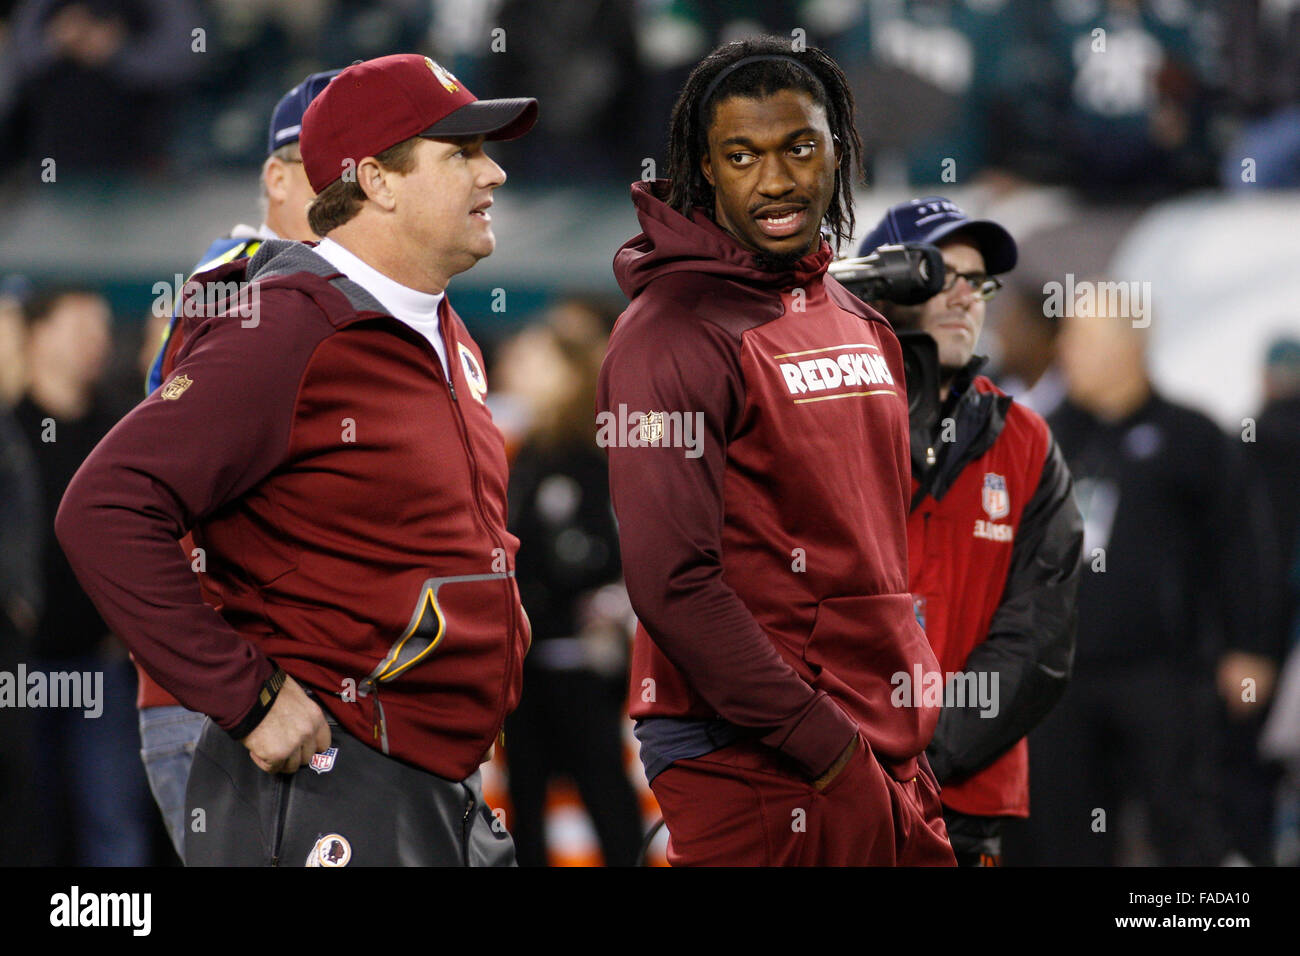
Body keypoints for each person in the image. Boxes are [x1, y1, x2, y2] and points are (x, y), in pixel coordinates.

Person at [57, 52, 538, 866]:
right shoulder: (286, 324)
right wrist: (245, 697)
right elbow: (105, 504)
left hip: (433, 778)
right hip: (328, 780)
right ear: (378, 181)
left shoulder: (443, 329)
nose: (492, 172)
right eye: (459, 153)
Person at [597, 35, 955, 866]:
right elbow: (672, 583)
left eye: (800, 147)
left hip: (879, 736)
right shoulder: (668, 333)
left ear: (840, 149)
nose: (777, 180)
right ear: (705, 170)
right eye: (742, 155)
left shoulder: (857, 318)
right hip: (762, 748)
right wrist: (826, 746)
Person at [134, 67, 339, 863]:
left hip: (267, 683)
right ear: (277, 177)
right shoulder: (244, 275)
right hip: (231, 686)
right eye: (328, 170)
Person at [854, 197, 1083, 866]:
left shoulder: (1026, 439)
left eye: (977, 281)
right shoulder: (821, 418)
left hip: (963, 800)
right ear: (881, 287)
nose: (964, 297)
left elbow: (1039, 639)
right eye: (938, 275)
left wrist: (922, 756)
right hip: (829, 789)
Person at [1023, 290, 1274, 865]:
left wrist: (1250, 646)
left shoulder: (1192, 438)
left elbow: (1243, 550)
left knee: (1183, 822)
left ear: (1128, 345)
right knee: (1065, 831)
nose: (1065, 351)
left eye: (1082, 339)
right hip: (1062, 679)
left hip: (1164, 673)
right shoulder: (1046, 436)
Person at [498, 303, 644, 867]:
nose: (517, 368)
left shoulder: (588, 452)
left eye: (535, 359)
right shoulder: (527, 453)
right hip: (528, 669)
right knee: (525, 807)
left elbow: (599, 556)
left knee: (605, 795)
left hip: (577, 664)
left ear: (569, 373)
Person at [15, 286, 155, 865]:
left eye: (100, 329)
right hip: (19, 668)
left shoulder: (123, 429)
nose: (94, 342)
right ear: (38, 334)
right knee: (29, 823)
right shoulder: (9, 433)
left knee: (114, 822)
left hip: (102, 668)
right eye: (78, 326)